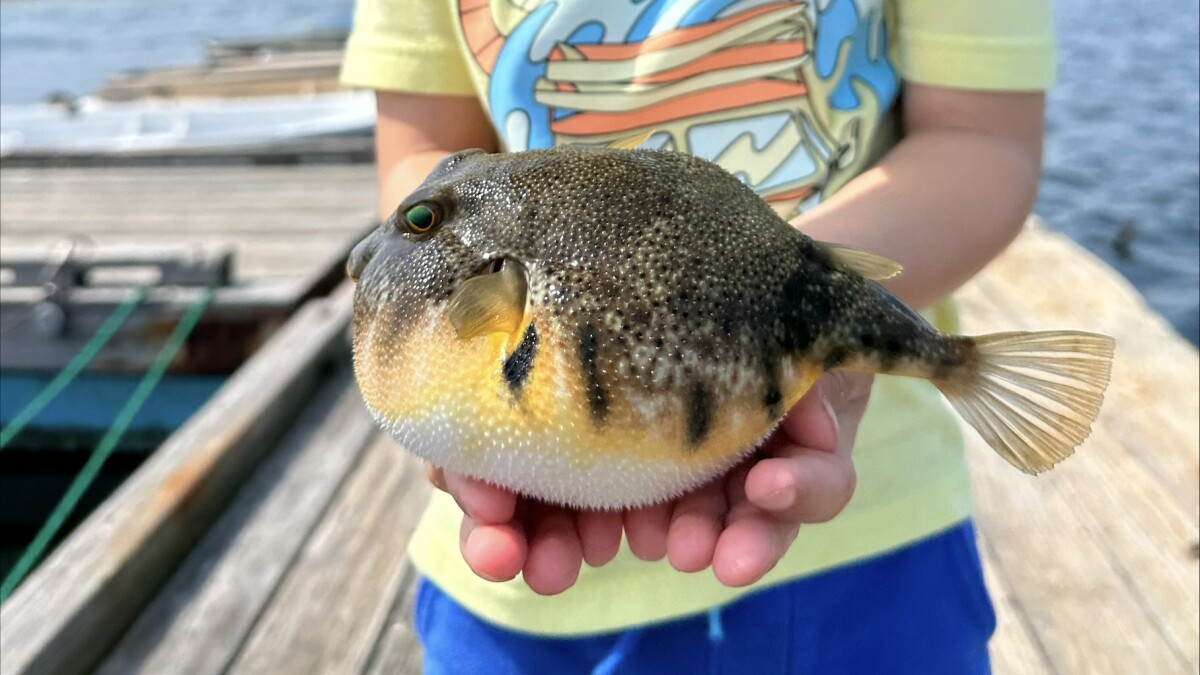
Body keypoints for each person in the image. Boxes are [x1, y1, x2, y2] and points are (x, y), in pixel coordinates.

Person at [341, 1, 1053, 672]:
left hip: (876, 540)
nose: (359, 262)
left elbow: (981, 138)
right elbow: (421, 149)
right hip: (515, 596)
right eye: (422, 224)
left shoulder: (485, 285)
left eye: (425, 225)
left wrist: (796, 290)